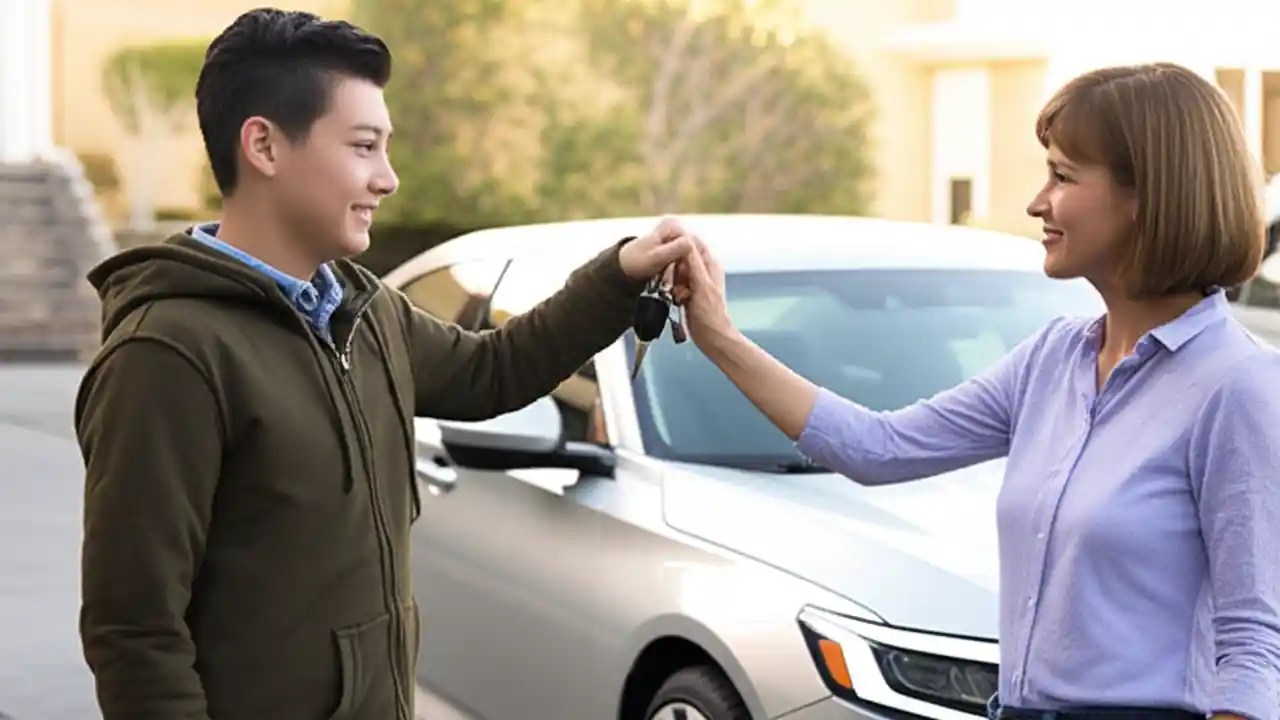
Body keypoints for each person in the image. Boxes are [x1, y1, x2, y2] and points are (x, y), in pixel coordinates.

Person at [73, 8, 695, 720]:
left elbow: (494, 371)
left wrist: (620, 276)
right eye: (364, 146)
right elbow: (134, 630)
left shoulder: (365, 311)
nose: (388, 179)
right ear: (264, 146)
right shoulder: (167, 356)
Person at [675, 63, 1280, 720]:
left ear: (1147, 198)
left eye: (1063, 176)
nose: (1037, 203)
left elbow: (1255, 649)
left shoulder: (1236, 386)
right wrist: (717, 336)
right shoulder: (1052, 359)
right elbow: (875, 447)